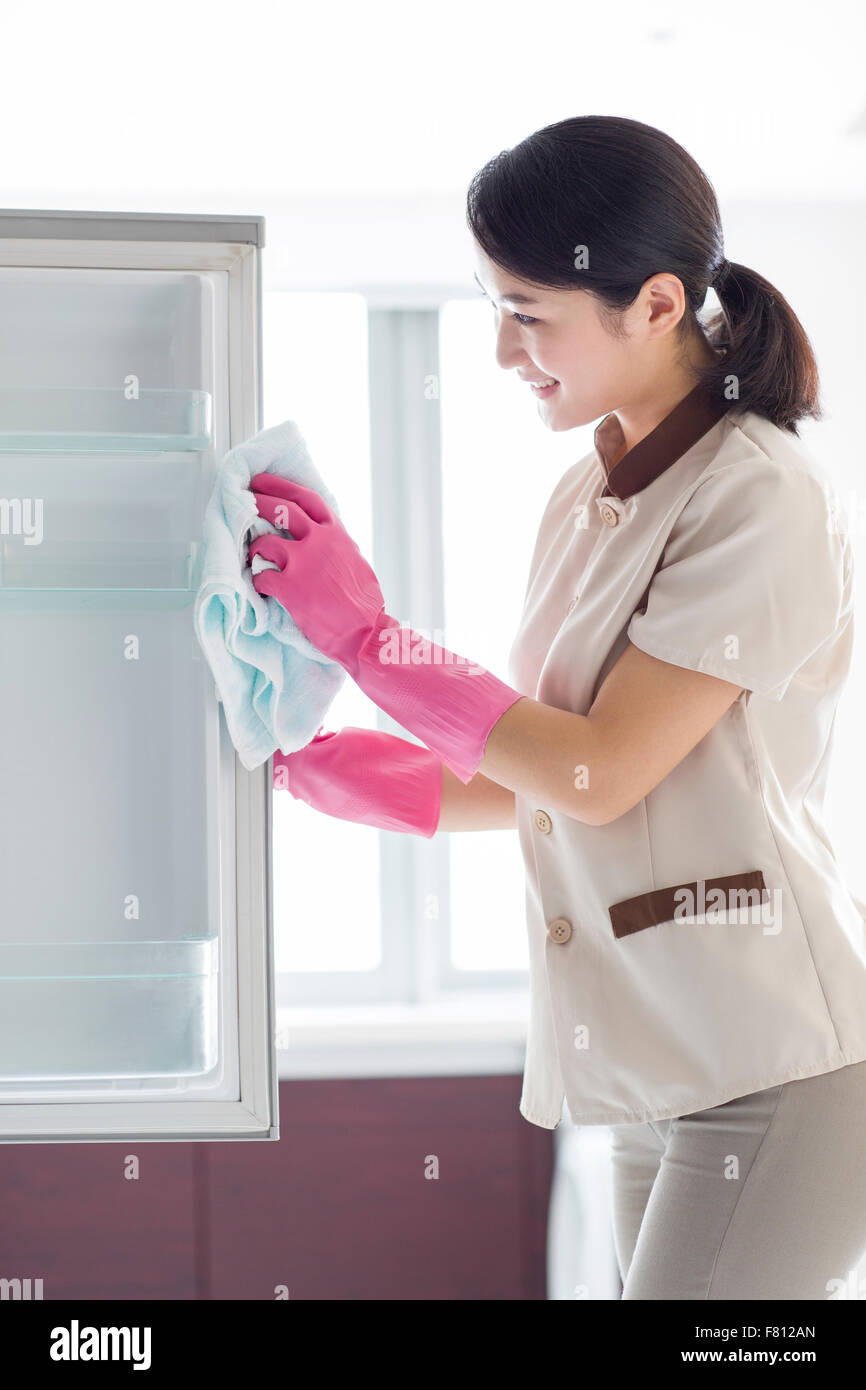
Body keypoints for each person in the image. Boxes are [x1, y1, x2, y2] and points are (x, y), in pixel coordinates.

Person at [246, 115, 866, 1300]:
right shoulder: (584, 497)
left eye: (528, 314)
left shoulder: (759, 496)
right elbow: (543, 774)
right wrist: (321, 767)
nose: (499, 352)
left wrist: (369, 639)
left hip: (780, 1061)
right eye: (494, 308)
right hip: (654, 1053)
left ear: (655, 306)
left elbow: (597, 771)